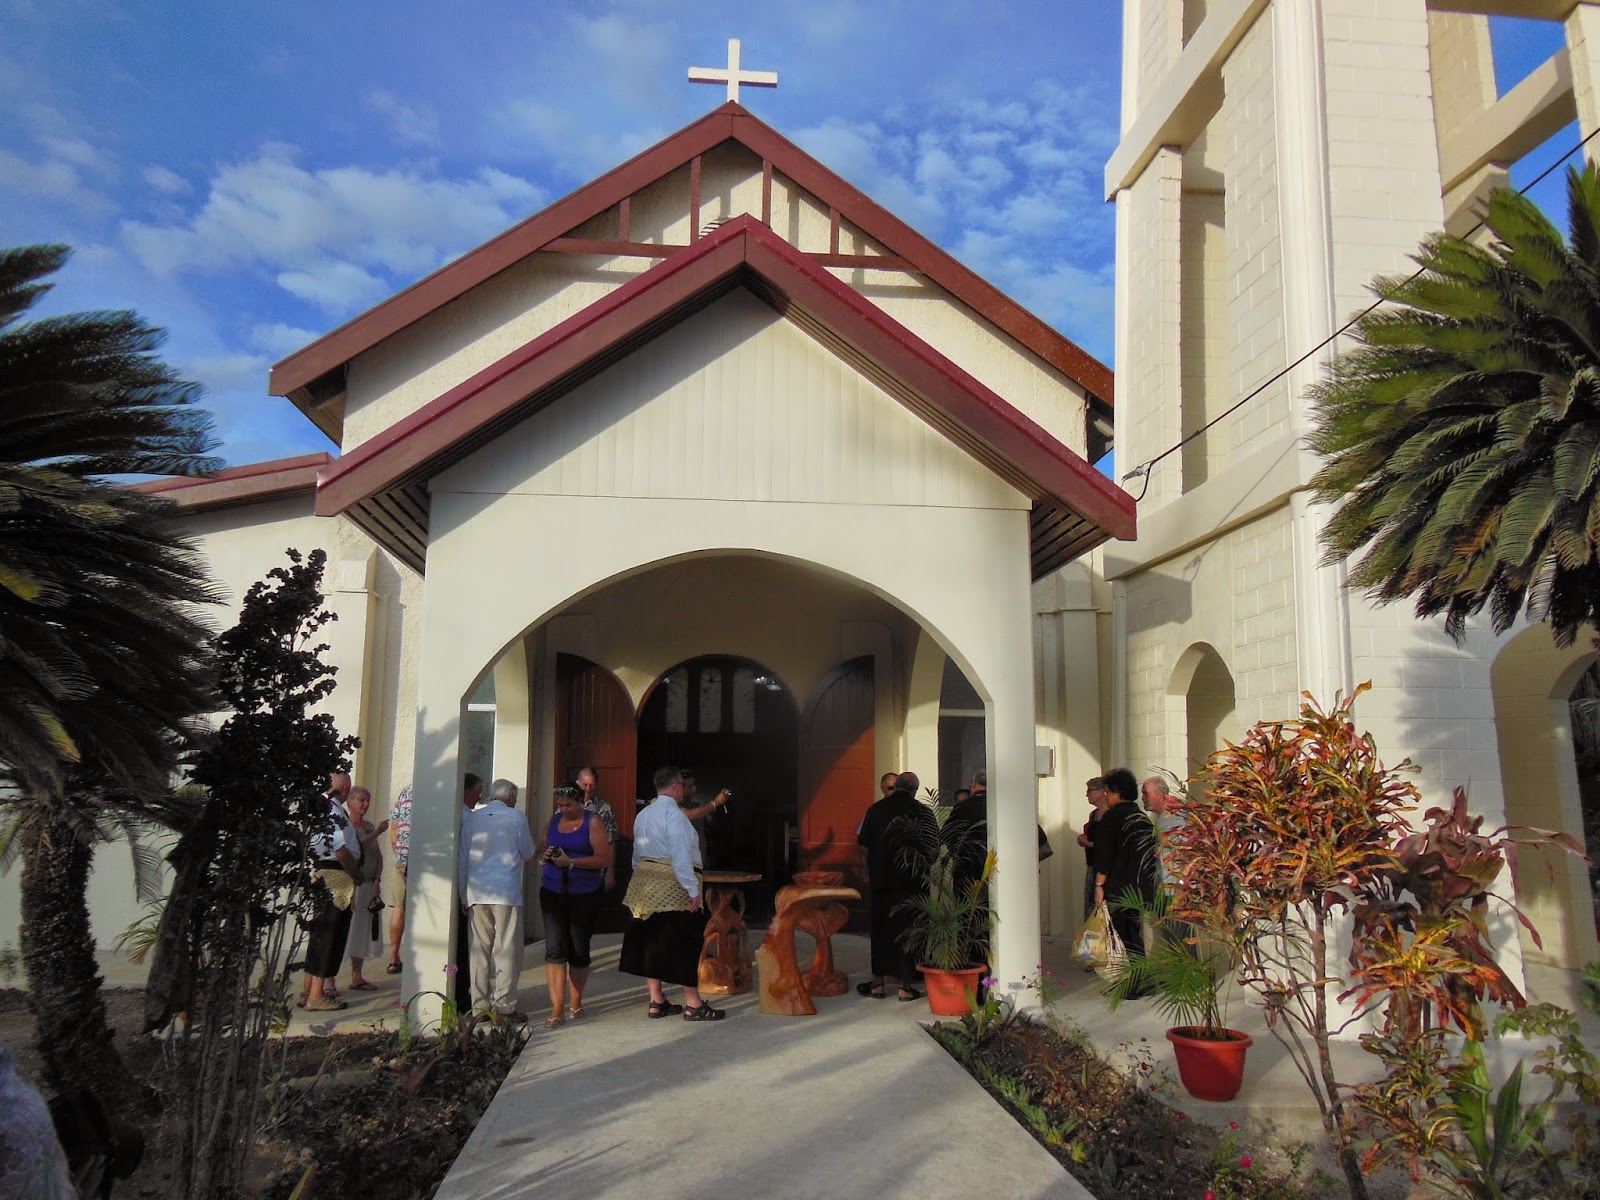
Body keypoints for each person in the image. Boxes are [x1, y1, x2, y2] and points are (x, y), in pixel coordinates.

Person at [619, 765, 724, 1022]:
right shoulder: (675, 815)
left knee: (651, 942)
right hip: (672, 886)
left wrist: (641, 879)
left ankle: (657, 1001)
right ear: (676, 785)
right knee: (684, 942)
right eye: (683, 786)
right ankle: (693, 1004)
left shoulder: (643, 814)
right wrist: (691, 889)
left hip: (645, 885)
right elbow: (679, 855)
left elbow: (636, 854)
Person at [458, 778, 537, 1023]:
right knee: (506, 949)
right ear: (511, 797)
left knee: (479, 950)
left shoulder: (472, 818)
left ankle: (479, 1006)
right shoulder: (516, 817)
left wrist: (463, 893)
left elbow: (462, 858)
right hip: (505, 892)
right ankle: (504, 1006)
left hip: (477, 891)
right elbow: (528, 852)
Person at [537, 784, 615, 1027]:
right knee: (554, 947)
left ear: (581, 802)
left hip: (584, 892)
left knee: (578, 949)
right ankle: (557, 1006)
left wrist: (571, 861)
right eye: (559, 805)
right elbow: (541, 847)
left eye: (568, 805)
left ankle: (576, 1001)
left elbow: (603, 858)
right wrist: (547, 854)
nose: (563, 809)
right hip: (552, 890)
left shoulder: (592, 822)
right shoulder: (553, 820)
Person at [855, 770, 934, 1002]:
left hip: (880, 881)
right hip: (913, 884)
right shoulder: (923, 812)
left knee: (881, 930)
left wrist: (866, 872)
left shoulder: (876, 810)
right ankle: (905, 986)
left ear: (896, 786)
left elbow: (863, 846)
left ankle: (878, 984)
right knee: (910, 931)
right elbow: (933, 850)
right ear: (915, 790)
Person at [301, 772, 361, 1012]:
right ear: (346, 788)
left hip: (324, 873)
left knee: (320, 933)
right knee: (329, 935)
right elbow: (341, 851)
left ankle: (307, 991)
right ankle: (316, 994)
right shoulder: (333, 812)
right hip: (336, 877)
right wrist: (357, 873)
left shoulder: (324, 810)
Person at [1092, 767, 1159, 969]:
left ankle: (1134, 981)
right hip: (1139, 886)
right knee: (1133, 933)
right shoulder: (1141, 818)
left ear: (1116, 792)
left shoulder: (1111, 819)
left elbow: (1105, 856)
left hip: (1118, 887)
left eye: (1107, 792)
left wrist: (1099, 885)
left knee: (1123, 937)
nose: (1106, 796)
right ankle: (1140, 978)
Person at [343, 786, 389, 991]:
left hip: (369, 883)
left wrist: (378, 878)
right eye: (361, 800)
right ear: (350, 802)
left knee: (362, 931)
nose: (365, 804)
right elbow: (356, 850)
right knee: (347, 930)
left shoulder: (369, 825)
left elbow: (377, 855)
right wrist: (378, 831)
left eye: (367, 800)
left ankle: (357, 975)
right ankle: (328, 980)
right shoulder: (346, 827)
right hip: (351, 885)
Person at [453, 773, 484, 1012]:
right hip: (459, 889)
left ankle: (462, 994)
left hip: (461, 889)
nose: (480, 797)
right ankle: (461, 997)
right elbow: (464, 857)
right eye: (477, 792)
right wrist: (464, 894)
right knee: (462, 946)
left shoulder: (466, 816)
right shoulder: (464, 817)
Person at [575, 766, 619, 890]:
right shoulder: (567, 806)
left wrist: (610, 872)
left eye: (592, 785)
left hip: (594, 873)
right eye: (585, 785)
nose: (588, 789)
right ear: (577, 783)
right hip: (570, 871)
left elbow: (610, 842)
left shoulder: (603, 808)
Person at [678, 769, 730, 865]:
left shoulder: (695, 803)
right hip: (683, 859)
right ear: (679, 787)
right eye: (690, 786)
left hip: (698, 856)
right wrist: (716, 803)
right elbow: (690, 815)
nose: (694, 789)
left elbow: (710, 823)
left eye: (694, 785)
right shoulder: (673, 804)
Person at [385, 783, 411, 974]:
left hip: (402, 859)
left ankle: (394, 958)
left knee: (399, 908)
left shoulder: (406, 791)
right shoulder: (438, 789)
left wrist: (399, 853)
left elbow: (394, 829)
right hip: (426, 860)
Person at [1076, 777, 1110, 919]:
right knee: (1091, 910)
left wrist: (1090, 844)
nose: (1087, 794)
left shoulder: (1111, 815)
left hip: (1106, 869)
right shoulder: (1093, 814)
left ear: (1102, 792)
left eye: (1090, 790)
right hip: (1092, 865)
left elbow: (1110, 844)